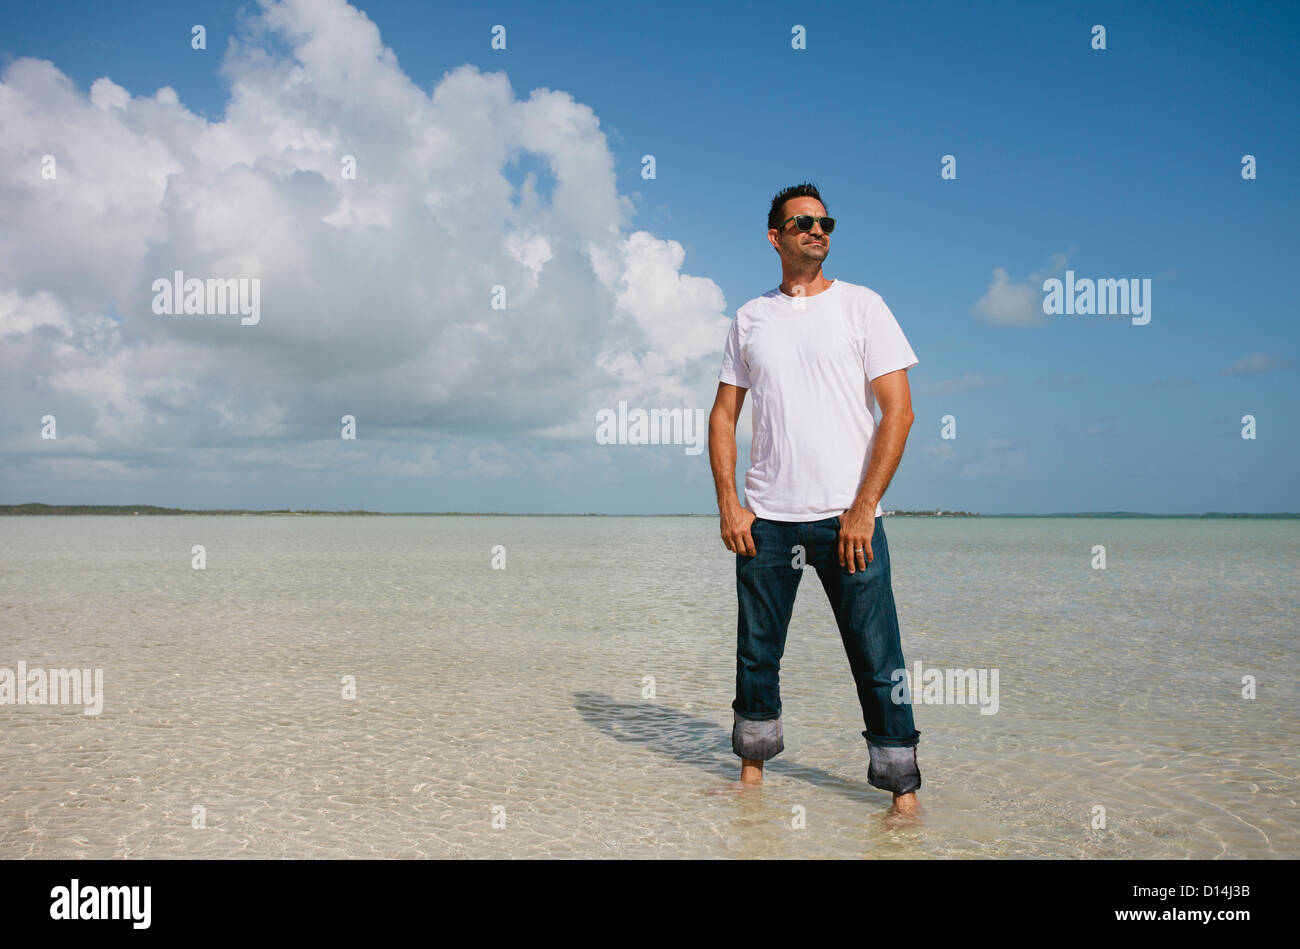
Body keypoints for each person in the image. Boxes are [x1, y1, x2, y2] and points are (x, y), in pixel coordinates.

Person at [707, 182, 922, 815]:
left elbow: (899, 413)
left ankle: (903, 800)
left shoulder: (863, 307)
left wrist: (863, 507)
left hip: (847, 520)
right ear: (775, 236)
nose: (817, 230)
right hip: (766, 520)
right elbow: (724, 416)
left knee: (879, 658)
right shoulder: (749, 319)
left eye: (824, 221)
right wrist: (729, 502)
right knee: (756, 654)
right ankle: (750, 788)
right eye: (801, 222)